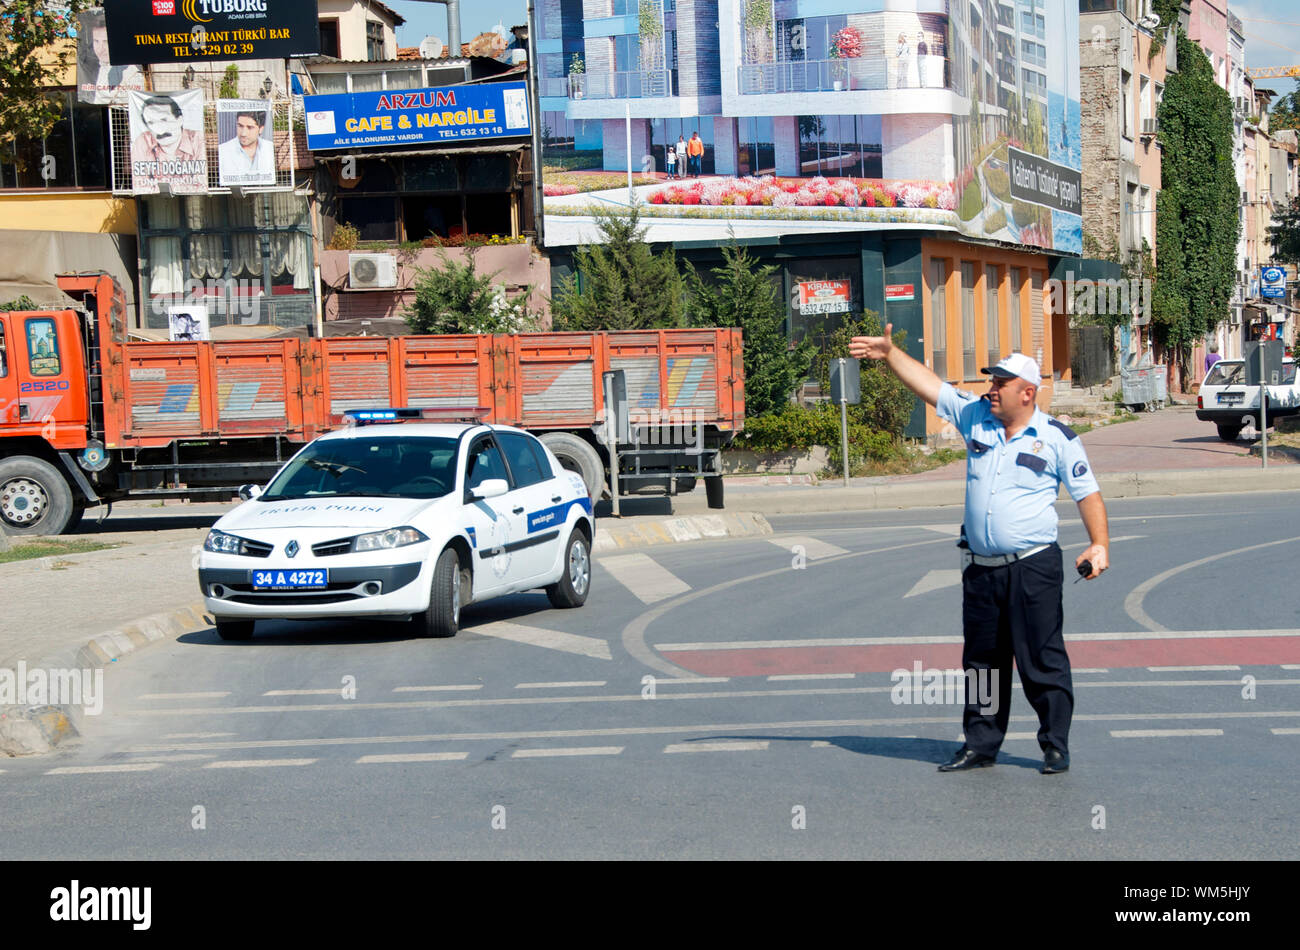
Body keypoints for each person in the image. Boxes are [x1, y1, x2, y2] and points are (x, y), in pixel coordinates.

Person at [848, 329, 1110, 775]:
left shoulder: (1058, 438)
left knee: (1042, 658)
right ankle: (981, 744)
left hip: (1034, 568)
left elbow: (1088, 494)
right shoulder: (975, 419)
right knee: (982, 663)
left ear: (1027, 393)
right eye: (991, 381)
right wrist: (891, 354)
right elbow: (932, 387)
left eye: (999, 384)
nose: (990, 389)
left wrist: (1099, 544)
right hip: (982, 570)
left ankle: (1054, 745)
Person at [133, 95, 203, 163]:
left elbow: (201, 174)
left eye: (164, 120)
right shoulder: (143, 141)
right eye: (151, 123)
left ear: (180, 120)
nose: (160, 130)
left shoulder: (196, 139)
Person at [219, 109, 275, 182]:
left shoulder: (268, 148)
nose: (243, 134)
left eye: (250, 127)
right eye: (240, 126)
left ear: (261, 129)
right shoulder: (224, 150)